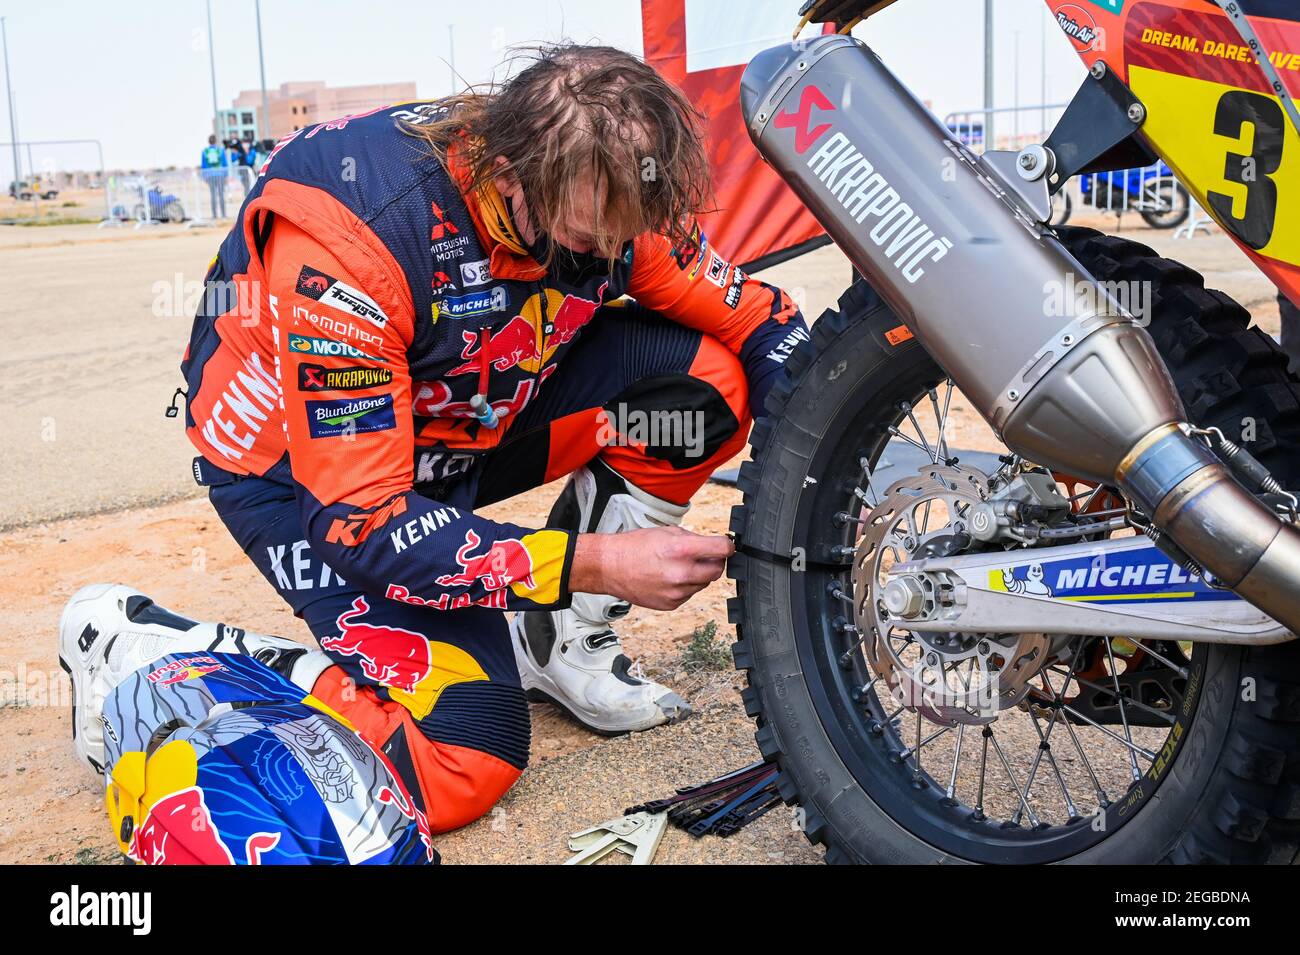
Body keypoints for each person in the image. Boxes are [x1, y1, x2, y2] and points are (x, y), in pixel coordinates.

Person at [60, 43, 805, 862]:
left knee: (706, 389)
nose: (612, 256)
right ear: (513, 171)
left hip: (458, 418)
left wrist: (828, 478)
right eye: (589, 241)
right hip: (304, 479)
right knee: (463, 759)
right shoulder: (352, 239)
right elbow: (364, 520)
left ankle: (558, 642)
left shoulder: (607, 188)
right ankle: (153, 648)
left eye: (625, 237)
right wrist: (597, 560)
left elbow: (769, 328)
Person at [200, 133, 229, 219]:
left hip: (210, 176)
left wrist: (205, 177)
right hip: (220, 175)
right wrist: (226, 175)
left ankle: (214, 215)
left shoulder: (204, 151)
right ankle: (223, 214)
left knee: (213, 196)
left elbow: (203, 165)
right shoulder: (221, 150)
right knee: (221, 195)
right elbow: (225, 163)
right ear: (216, 141)